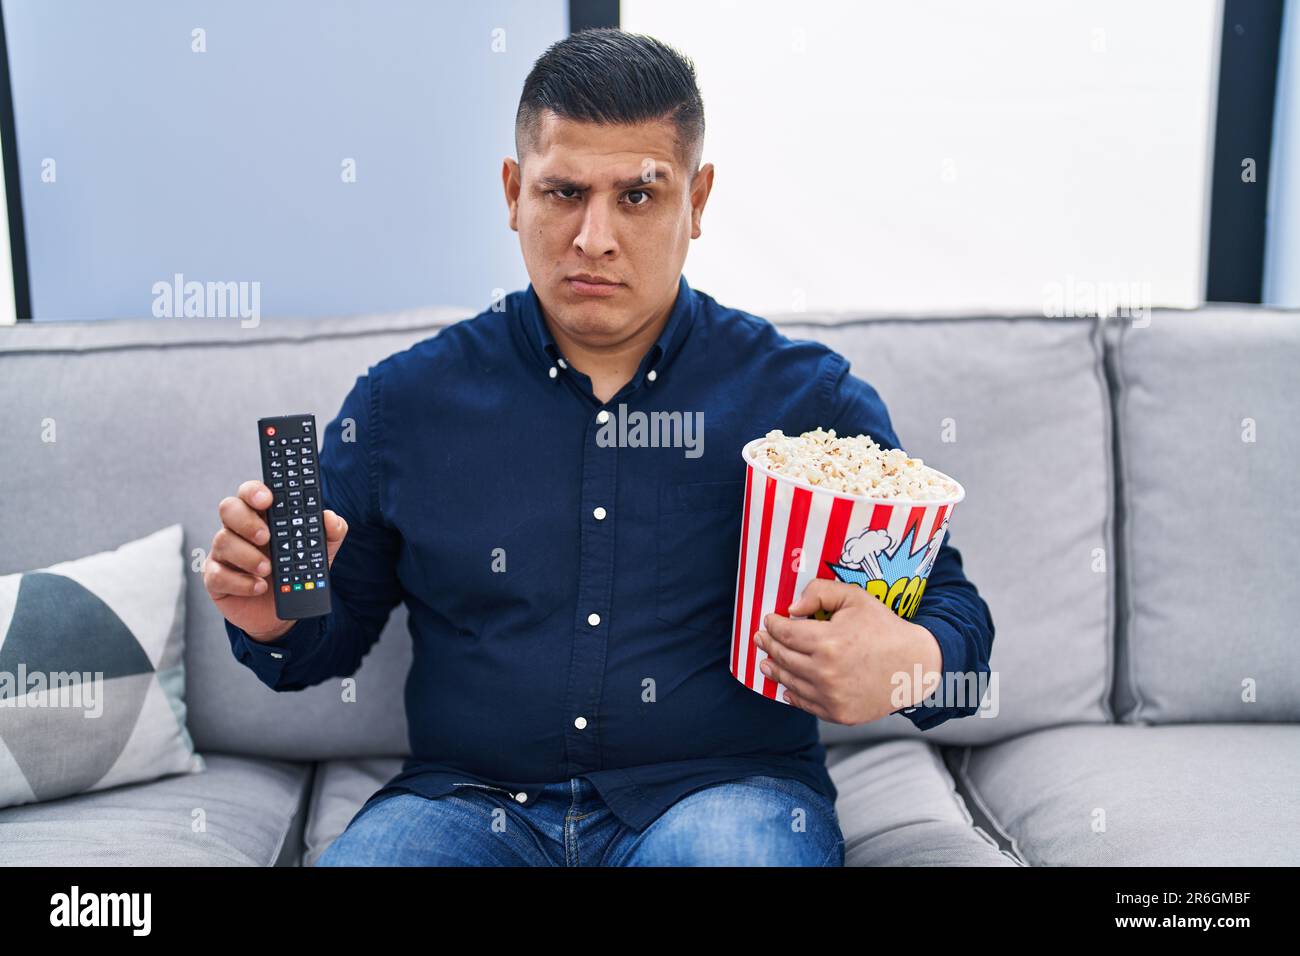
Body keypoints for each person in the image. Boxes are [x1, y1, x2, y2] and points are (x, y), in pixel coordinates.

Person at [203, 27, 994, 867]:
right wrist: (276, 621)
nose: (594, 238)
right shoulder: (403, 403)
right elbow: (322, 644)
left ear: (700, 198)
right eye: (563, 192)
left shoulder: (807, 403)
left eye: (640, 197)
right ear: (513, 192)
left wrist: (906, 661)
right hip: (466, 803)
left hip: (719, 797)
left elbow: (959, 633)